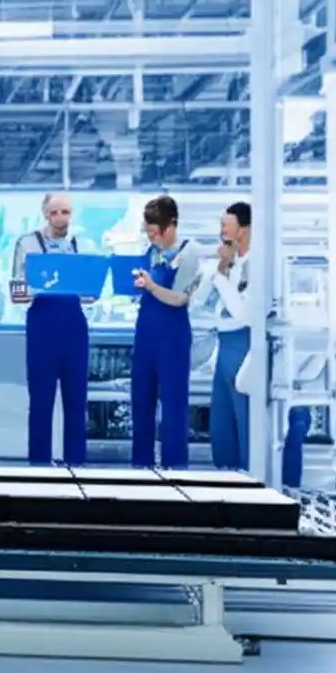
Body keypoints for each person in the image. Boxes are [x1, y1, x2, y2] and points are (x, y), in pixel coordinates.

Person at [11, 193, 90, 466]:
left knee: (76, 401)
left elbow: (90, 295)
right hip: (42, 327)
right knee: (41, 401)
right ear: (45, 212)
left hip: (75, 329)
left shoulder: (81, 245)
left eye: (65, 212)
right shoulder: (27, 243)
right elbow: (16, 291)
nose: (60, 218)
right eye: (55, 212)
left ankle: (77, 466)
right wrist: (38, 286)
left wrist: (88, 288)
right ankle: (39, 467)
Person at [131, 195, 203, 469]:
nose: (151, 237)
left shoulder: (189, 253)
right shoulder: (151, 253)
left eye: (154, 232)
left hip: (172, 337)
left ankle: (175, 470)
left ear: (171, 225)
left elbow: (179, 298)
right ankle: (141, 468)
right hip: (146, 334)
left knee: (173, 407)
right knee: (141, 402)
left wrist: (150, 287)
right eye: (147, 232)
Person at [208, 201, 253, 471]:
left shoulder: (256, 266)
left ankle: (249, 477)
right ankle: (226, 475)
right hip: (224, 347)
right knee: (222, 424)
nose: (222, 229)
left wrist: (221, 279)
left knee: (244, 419)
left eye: (227, 224)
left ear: (243, 230)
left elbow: (242, 312)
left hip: (244, 347)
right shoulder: (232, 264)